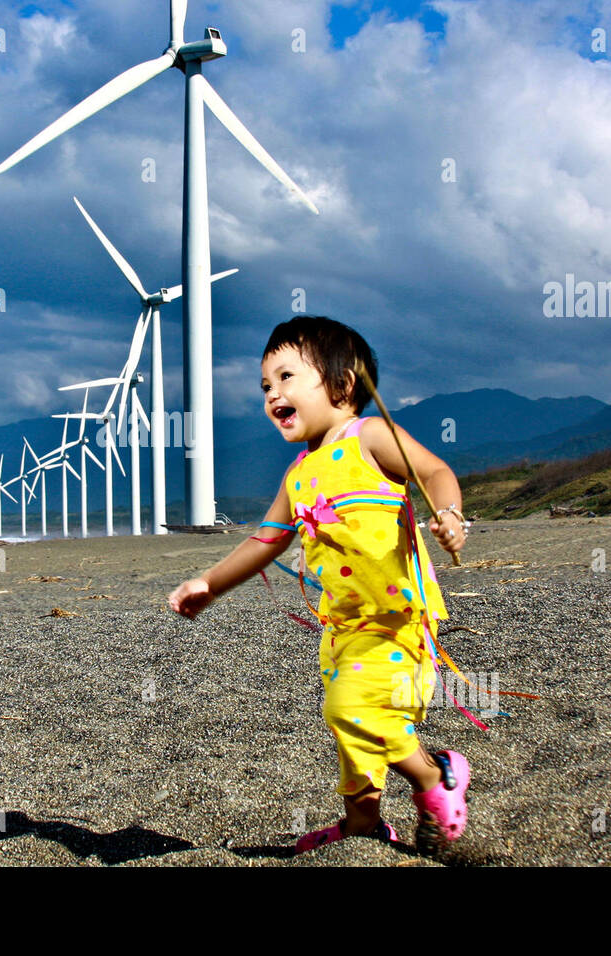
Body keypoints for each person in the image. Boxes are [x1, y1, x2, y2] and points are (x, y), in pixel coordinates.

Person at [168, 315, 472, 855]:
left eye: (286, 377)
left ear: (343, 385)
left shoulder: (370, 436)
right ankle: (362, 823)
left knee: (352, 709)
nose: (272, 394)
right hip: (342, 625)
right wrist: (209, 585)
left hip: (397, 617)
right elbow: (267, 540)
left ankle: (434, 777)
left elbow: (435, 472)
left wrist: (449, 513)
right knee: (351, 728)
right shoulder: (298, 473)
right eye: (265, 386)